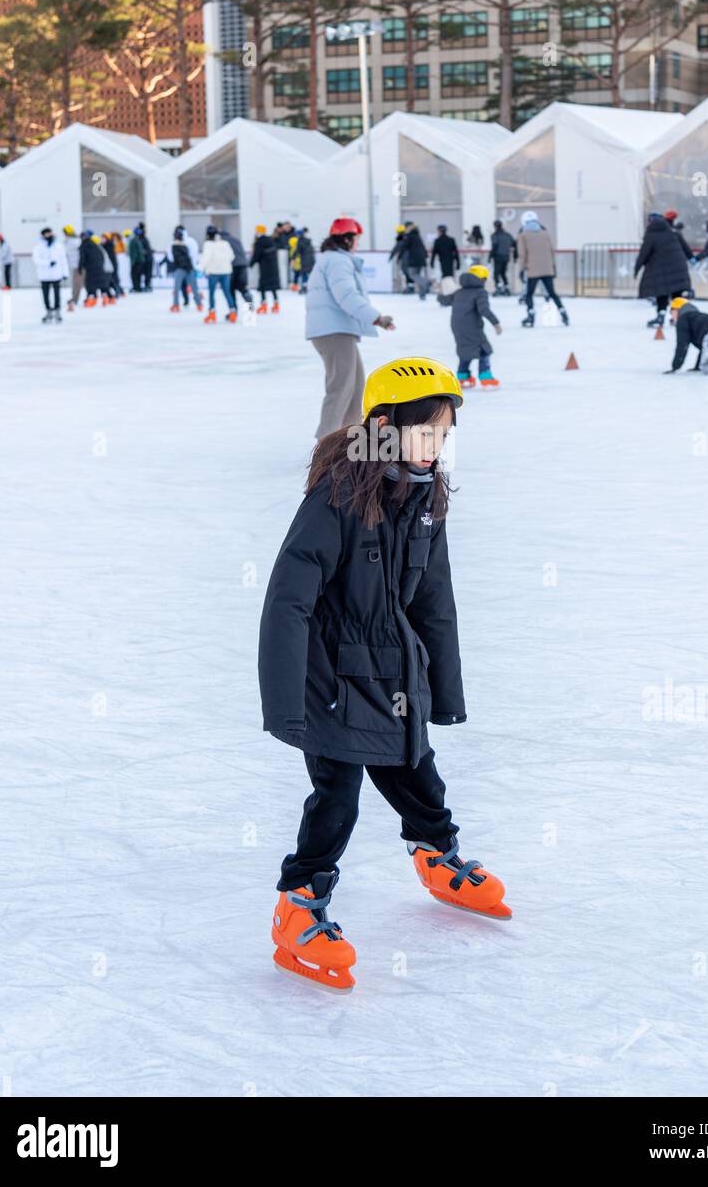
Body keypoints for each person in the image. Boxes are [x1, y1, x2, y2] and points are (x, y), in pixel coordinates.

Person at [259, 357, 511, 992]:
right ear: (383, 425)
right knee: (337, 795)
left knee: (415, 771)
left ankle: (437, 855)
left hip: (394, 676)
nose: (435, 447)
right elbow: (289, 596)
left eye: (444, 435)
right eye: (425, 431)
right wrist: (287, 702)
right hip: (333, 682)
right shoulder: (340, 493)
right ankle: (300, 904)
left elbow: (434, 599)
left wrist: (444, 692)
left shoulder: (426, 496)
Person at [305, 215, 395, 439]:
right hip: (333, 331)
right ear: (346, 239)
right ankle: (325, 444)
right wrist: (376, 318)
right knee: (341, 388)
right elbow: (347, 296)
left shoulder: (335, 259)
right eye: (356, 238)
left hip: (337, 330)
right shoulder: (337, 261)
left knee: (355, 388)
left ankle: (348, 439)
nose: (358, 243)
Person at [437, 263, 501, 388]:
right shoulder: (480, 292)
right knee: (484, 350)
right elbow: (484, 310)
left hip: (457, 326)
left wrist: (439, 293)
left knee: (464, 350)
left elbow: (444, 301)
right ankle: (485, 376)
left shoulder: (459, 292)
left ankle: (462, 376)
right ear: (482, 279)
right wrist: (496, 323)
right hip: (472, 326)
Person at [633, 212, 692, 327]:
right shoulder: (673, 232)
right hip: (678, 267)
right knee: (677, 293)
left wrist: (637, 268)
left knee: (662, 292)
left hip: (660, 268)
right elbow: (686, 249)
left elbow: (644, 253)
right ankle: (678, 317)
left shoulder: (651, 234)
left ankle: (661, 316)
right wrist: (692, 258)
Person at [517, 212, 568, 328]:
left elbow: (522, 254)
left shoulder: (523, 235)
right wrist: (553, 267)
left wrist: (521, 269)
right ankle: (564, 314)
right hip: (547, 269)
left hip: (533, 270)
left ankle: (531, 315)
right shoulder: (545, 233)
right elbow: (551, 251)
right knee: (552, 293)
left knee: (529, 294)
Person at [200, 224, 236, 323]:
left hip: (213, 272)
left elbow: (206, 258)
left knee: (211, 293)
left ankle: (212, 313)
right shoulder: (225, 243)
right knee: (227, 292)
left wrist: (199, 268)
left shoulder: (208, 244)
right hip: (226, 272)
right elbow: (232, 256)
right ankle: (232, 312)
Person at [31, 227, 68, 323]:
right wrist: (47, 263)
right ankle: (48, 311)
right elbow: (36, 259)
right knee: (45, 295)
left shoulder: (58, 246)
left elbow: (63, 260)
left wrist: (65, 273)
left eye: (50, 233)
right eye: (47, 234)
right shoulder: (38, 247)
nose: (49, 235)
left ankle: (57, 311)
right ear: (43, 235)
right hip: (44, 275)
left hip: (56, 274)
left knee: (57, 294)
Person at [168, 225, 202, 312]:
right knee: (194, 287)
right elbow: (191, 256)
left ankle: (176, 305)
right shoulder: (186, 245)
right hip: (189, 268)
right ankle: (199, 304)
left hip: (180, 269)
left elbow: (172, 258)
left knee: (177, 288)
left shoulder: (173, 246)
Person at [251, 224, 281, 313]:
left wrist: (251, 264)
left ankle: (264, 305)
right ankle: (276, 304)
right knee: (273, 286)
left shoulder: (259, 241)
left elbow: (256, 254)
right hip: (273, 267)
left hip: (264, 267)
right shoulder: (270, 240)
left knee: (263, 286)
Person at [222, 228, 253, 313]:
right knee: (243, 288)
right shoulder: (236, 240)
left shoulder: (223, 241)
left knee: (231, 289)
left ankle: (234, 311)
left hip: (232, 267)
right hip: (243, 266)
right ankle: (250, 309)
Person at [398, 222, 429, 299]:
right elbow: (423, 246)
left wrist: (399, 257)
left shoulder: (409, 236)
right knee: (418, 275)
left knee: (412, 275)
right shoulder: (417, 236)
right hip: (421, 259)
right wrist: (425, 256)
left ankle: (426, 282)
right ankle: (422, 295)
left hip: (414, 259)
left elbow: (403, 247)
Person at [80, 230, 110, 307]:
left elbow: (82, 258)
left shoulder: (84, 245)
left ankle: (91, 301)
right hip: (99, 267)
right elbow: (102, 256)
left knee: (91, 285)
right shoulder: (95, 245)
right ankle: (105, 299)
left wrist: (81, 267)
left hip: (90, 269)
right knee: (102, 285)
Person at [488, 220, 516, 297]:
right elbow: (514, 243)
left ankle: (499, 287)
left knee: (496, 273)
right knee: (503, 273)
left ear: (495, 226)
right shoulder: (507, 235)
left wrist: (490, 257)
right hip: (506, 256)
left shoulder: (495, 235)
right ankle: (506, 287)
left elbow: (494, 246)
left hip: (498, 256)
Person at [63, 224, 83, 311]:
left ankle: (75, 299)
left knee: (77, 283)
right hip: (74, 265)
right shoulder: (70, 241)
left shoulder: (75, 241)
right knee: (75, 283)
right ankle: (74, 297)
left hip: (78, 265)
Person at [296, 228, 315, 295]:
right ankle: (310, 286)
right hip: (311, 260)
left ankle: (304, 287)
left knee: (304, 274)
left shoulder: (300, 241)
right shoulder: (308, 241)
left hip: (304, 260)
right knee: (310, 274)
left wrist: (292, 258)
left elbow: (297, 251)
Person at [136, 223, 154, 291]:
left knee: (147, 273)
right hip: (143, 260)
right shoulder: (140, 239)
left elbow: (147, 249)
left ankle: (147, 285)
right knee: (141, 273)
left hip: (147, 259)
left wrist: (145, 252)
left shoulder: (144, 239)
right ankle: (142, 285)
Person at [126, 228, 146, 292]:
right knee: (137, 275)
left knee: (135, 275)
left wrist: (133, 261)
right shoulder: (137, 240)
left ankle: (136, 287)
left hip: (137, 261)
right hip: (139, 261)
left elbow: (134, 252)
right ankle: (137, 287)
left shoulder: (134, 240)